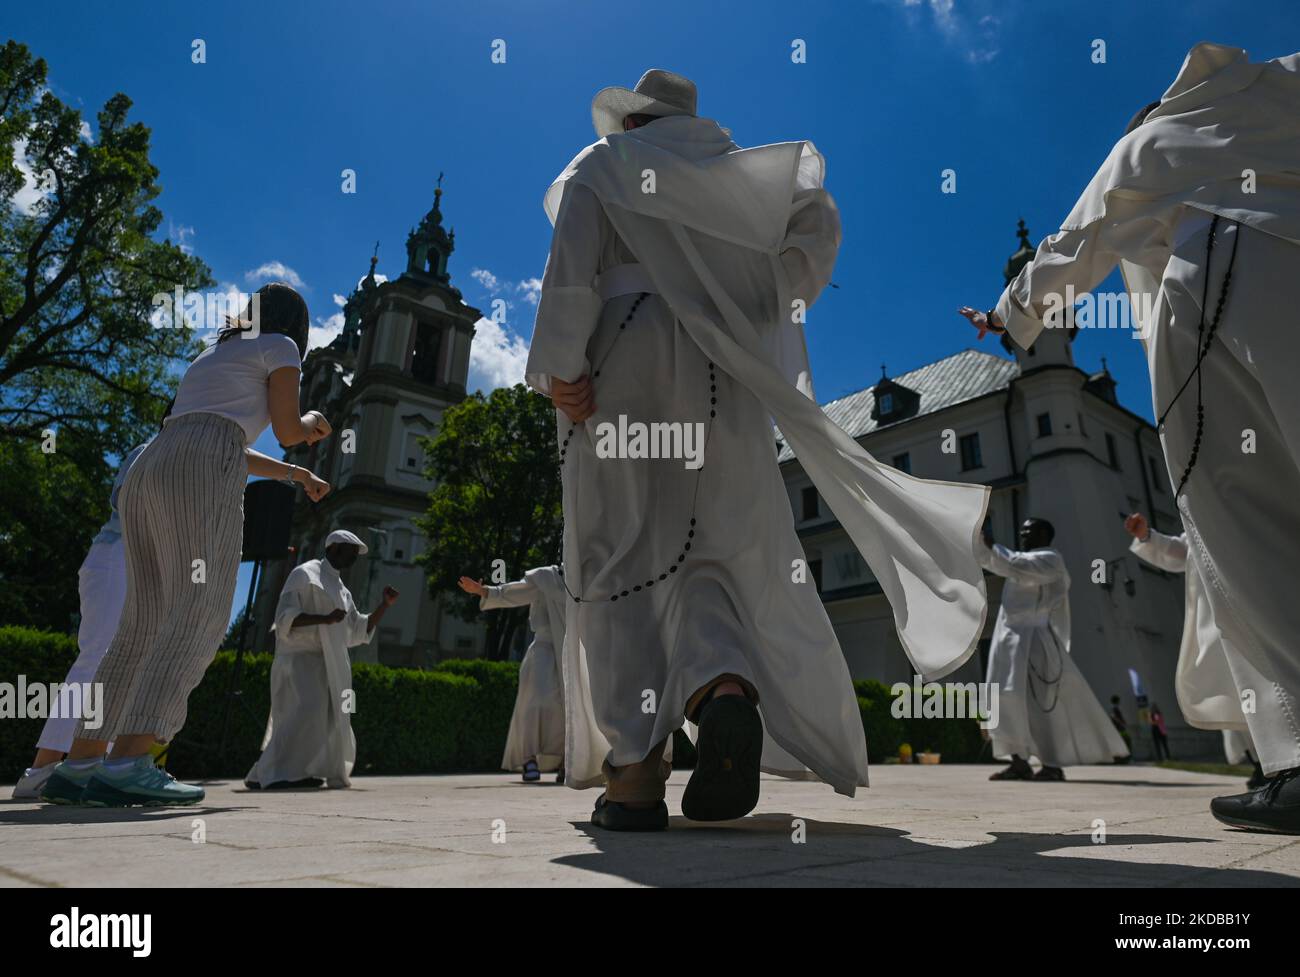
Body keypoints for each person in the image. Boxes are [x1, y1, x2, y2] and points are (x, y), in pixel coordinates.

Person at [527, 69, 991, 831]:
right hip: (725, 374)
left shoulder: (603, 165)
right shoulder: (741, 176)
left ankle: (637, 772)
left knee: (620, 556)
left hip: (626, 358)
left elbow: (570, 269)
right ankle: (724, 693)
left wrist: (561, 369)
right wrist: (763, 298)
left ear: (635, 121)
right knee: (714, 551)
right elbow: (819, 219)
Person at [958, 43, 1300, 831]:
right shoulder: (1279, 87)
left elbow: (1084, 236)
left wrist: (1011, 315)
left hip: (1222, 289)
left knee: (1247, 523)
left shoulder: (1155, 139)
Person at [41, 283, 334, 807]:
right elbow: (286, 429)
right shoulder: (282, 348)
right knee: (200, 609)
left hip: (153, 466)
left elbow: (220, 434)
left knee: (139, 621)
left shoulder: (213, 353)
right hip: (205, 464)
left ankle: (81, 764)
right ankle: (132, 758)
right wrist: (311, 425)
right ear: (297, 323)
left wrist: (294, 474)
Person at [13, 428, 157, 799]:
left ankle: (92, 765)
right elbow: (130, 500)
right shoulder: (149, 451)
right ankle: (42, 769)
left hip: (137, 565)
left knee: (124, 664)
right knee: (98, 657)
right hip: (118, 556)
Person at [980, 518, 1130, 782]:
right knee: (1003, 699)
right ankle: (1018, 761)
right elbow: (995, 562)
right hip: (1006, 640)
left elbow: (1015, 565)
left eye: (1029, 531)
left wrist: (992, 544)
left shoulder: (1050, 560)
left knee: (1041, 703)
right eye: (1022, 530)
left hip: (1034, 639)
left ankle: (1052, 763)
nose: (1022, 534)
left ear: (1044, 534)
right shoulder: (1018, 559)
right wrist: (978, 541)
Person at [246, 531, 397, 790]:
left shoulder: (342, 590)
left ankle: (299, 772)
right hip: (297, 659)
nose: (352, 559)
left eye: (354, 555)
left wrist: (385, 605)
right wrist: (324, 619)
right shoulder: (304, 574)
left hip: (328, 664)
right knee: (301, 712)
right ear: (334, 548)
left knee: (323, 718)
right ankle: (270, 773)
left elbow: (358, 629)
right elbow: (285, 618)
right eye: (349, 552)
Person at [1125, 512, 1266, 788]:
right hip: (1216, 618)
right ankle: (1263, 764)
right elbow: (1186, 550)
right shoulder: (1199, 507)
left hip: (1250, 605)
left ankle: (1281, 764)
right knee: (1231, 688)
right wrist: (1147, 537)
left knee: (1261, 686)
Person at [459, 567, 567, 783]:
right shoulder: (547, 577)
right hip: (544, 649)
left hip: (571, 651)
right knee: (538, 701)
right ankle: (528, 759)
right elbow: (517, 592)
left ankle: (567, 761)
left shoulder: (587, 578)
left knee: (573, 707)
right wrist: (484, 591)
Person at [1109, 695, 1133, 763]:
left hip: (1118, 729)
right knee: (1127, 741)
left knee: (1125, 741)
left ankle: (1122, 758)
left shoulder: (1113, 708)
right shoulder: (1115, 709)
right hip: (1119, 729)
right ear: (1117, 701)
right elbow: (1114, 717)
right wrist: (1122, 723)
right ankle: (1125, 758)